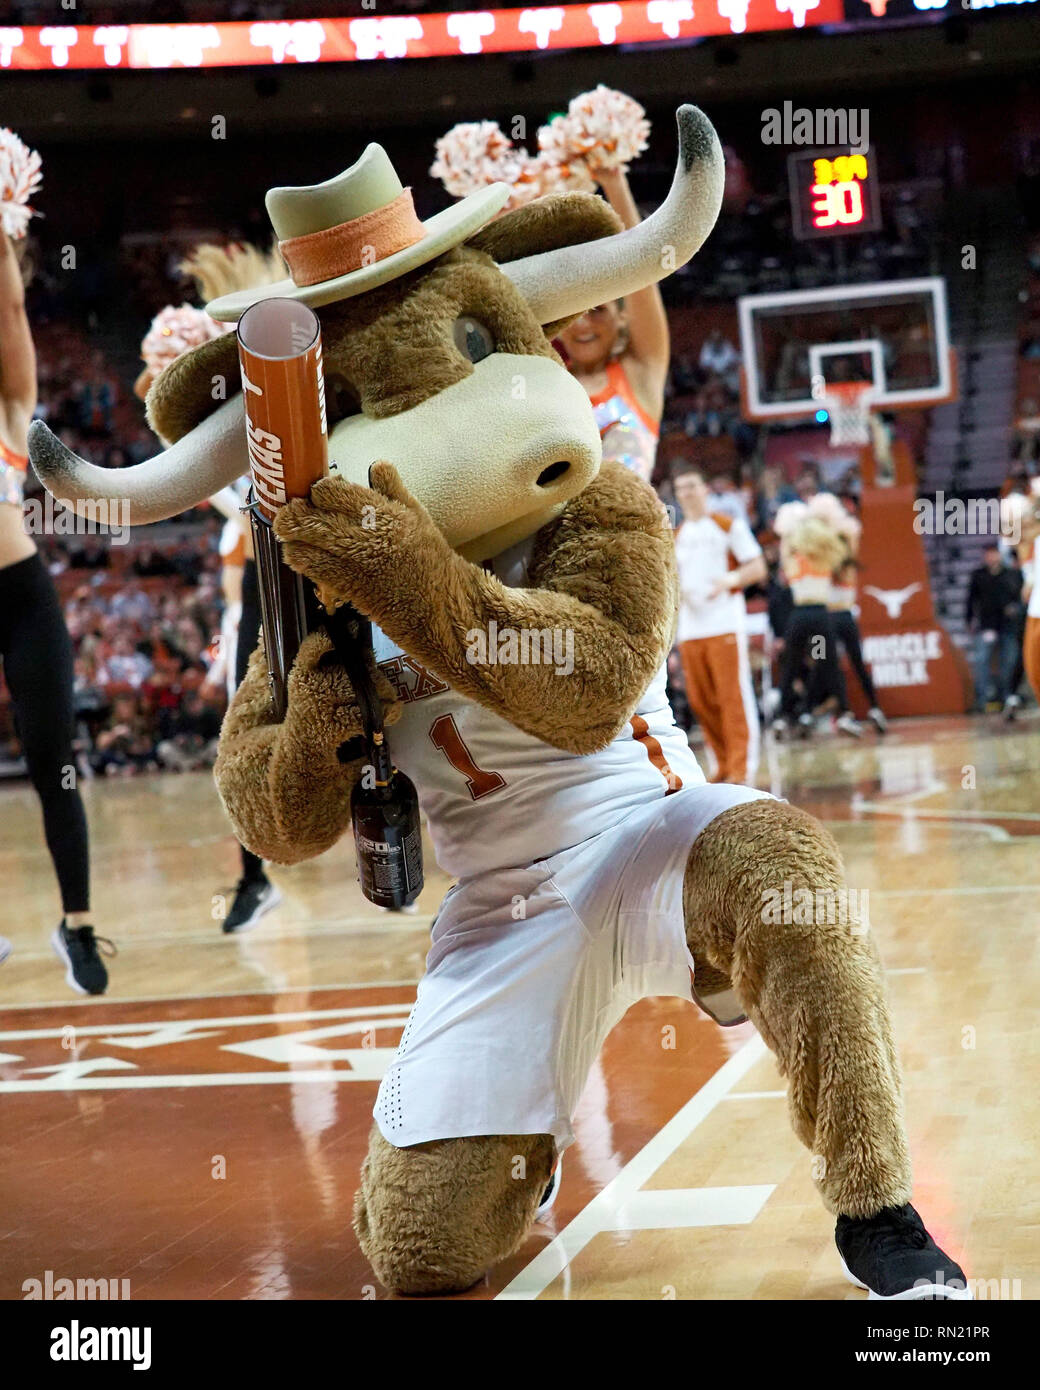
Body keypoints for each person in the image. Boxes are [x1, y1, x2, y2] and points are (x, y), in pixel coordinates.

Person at [0, 223, 113, 992]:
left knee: (55, 761)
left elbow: (9, 312)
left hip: (19, 596)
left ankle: (77, 926)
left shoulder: (10, 412)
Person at [556, 163, 669, 485]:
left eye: (598, 311)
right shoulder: (546, 381)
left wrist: (614, 181)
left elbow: (641, 268)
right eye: (574, 312)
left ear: (623, 319)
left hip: (630, 533)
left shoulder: (641, 369)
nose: (582, 323)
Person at [674, 468, 766, 784]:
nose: (687, 492)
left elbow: (757, 566)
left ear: (705, 490)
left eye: (692, 485)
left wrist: (730, 580)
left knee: (732, 696)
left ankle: (743, 767)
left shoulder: (727, 526)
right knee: (701, 700)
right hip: (690, 628)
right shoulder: (676, 536)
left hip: (725, 622)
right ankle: (722, 765)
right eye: (681, 488)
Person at [965, 543, 1024, 713]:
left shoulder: (1011, 574)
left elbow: (1019, 599)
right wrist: (969, 620)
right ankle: (983, 699)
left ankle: (1008, 697)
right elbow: (971, 600)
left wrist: (1014, 610)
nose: (991, 557)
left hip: (1007, 626)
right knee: (982, 661)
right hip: (986, 625)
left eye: (994, 554)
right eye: (988, 554)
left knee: (1009, 662)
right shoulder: (979, 575)